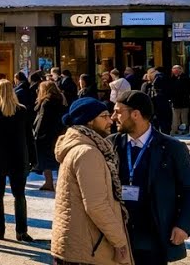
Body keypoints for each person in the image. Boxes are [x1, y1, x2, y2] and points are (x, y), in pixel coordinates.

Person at [110, 90, 190, 265]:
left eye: (118, 112)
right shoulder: (111, 145)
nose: (113, 117)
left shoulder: (172, 148)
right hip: (117, 238)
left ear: (136, 114)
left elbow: (189, 189)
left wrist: (184, 225)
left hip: (154, 239)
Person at [52, 96, 132, 265]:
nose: (110, 120)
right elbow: (96, 205)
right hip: (88, 249)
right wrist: (119, 241)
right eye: (103, 116)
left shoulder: (82, 147)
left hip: (80, 245)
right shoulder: (88, 153)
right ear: (89, 121)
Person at [0, 79, 36, 242]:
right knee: (19, 195)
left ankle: (0, 230)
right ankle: (21, 231)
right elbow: (29, 137)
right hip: (18, 157)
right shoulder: (22, 111)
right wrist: (33, 158)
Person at [34, 80, 68, 193]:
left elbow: (42, 119)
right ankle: (60, 182)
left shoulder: (46, 102)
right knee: (58, 158)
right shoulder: (61, 100)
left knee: (44, 159)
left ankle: (48, 182)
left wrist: (37, 133)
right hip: (58, 133)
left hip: (46, 135)